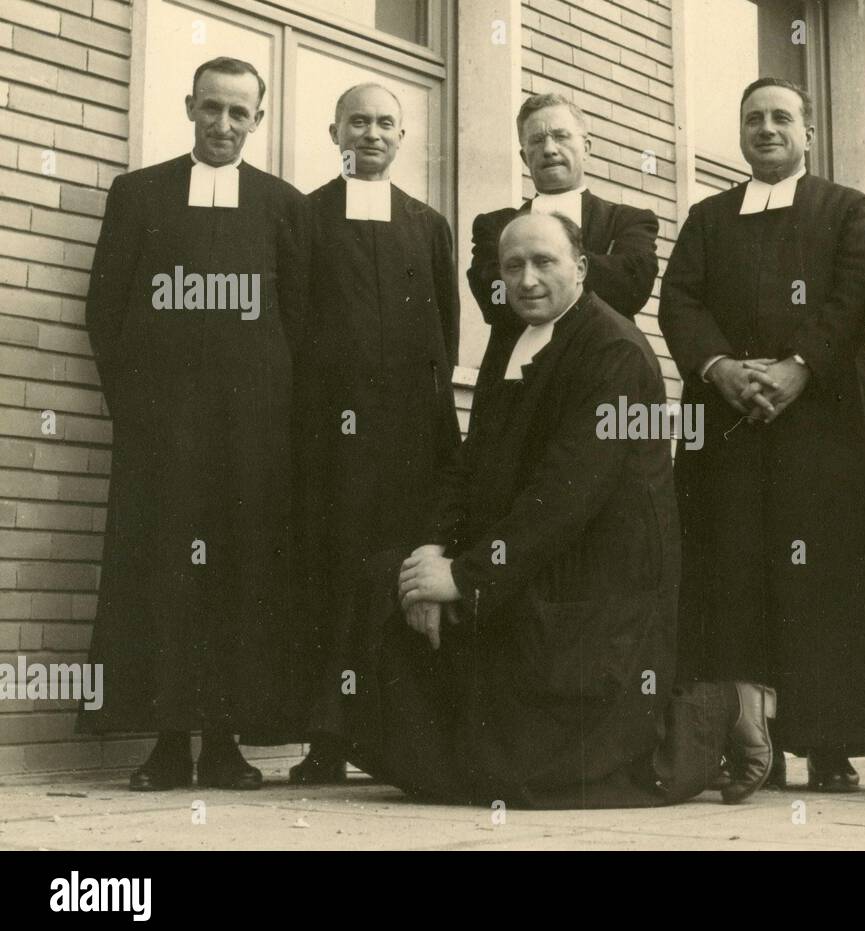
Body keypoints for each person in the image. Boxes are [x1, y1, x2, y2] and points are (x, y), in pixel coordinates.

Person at [339, 212, 774, 807]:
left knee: (534, 777)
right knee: (385, 590)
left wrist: (463, 580)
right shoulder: (511, 338)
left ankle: (716, 710)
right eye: (513, 265)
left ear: (581, 267)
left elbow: (567, 495)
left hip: (597, 587)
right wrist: (433, 552)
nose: (527, 278)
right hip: (524, 568)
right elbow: (470, 464)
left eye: (544, 262)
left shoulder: (614, 348)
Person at [659, 77, 865, 791]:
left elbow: (857, 296)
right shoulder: (707, 217)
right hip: (727, 425)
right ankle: (745, 740)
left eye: (781, 118)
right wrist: (720, 367)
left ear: (808, 134)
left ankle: (829, 742)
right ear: (739, 133)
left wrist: (799, 367)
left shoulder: (849, 210)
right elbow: (679, 299)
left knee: (825, 578)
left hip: (821, 420)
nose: (767, 129)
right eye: (754, 119)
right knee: (730, 571)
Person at [80, 57, 310, 791]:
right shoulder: (138, 193)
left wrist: (274, 416)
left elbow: (299, 322)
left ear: (258, 121)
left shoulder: (283, 205)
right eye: (211, 108)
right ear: (188, 107)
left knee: (242, 575)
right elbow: (104, 311)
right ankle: (167, 743)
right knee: (164, 576)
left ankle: (225, 744)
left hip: (253, 440)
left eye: (239, 113)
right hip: (163, 435)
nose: (223, 125)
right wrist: (142, 411)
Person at [289, 83, 461, 784]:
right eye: (357, 122)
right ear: (335, 130)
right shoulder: (305, 217)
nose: (371, 134)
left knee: (403, 575)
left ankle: (401, 736)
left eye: (385, 122)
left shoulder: (428, 224)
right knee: (331, 577)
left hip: (415, 442)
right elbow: (296, 326)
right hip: (332, 443)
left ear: (402, 136)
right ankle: (328, 738)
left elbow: (444, 335)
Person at [467, 93, 658, 326]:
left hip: (600, 358)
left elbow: (629, 291)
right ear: (524, 157)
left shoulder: (627, 221)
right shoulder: (495, 226)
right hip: (515, 357)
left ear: (586, 148)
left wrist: (529, 284)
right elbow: (494, 299)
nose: (549, 149)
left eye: (560, 136)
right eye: (537, 140)